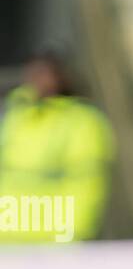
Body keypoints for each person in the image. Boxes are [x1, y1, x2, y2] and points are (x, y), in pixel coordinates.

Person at [0, 50, 115, 243]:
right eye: (33, 73)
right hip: (8, 238)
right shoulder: (14, 114)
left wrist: (74, 231)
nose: (37, 80)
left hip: (55, 241)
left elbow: (88, 184)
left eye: (44, 73)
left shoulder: (83, 121)